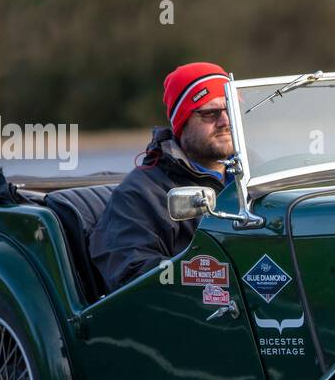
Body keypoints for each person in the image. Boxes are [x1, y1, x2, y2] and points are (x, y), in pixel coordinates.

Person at [89, 61, 236, 293]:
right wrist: (215, 275)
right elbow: (130, 274)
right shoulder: (141, 193)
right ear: (182, 123)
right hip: (200, 316)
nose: (226, 121)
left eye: (232, 109)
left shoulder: (256, 174)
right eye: (210, 113)